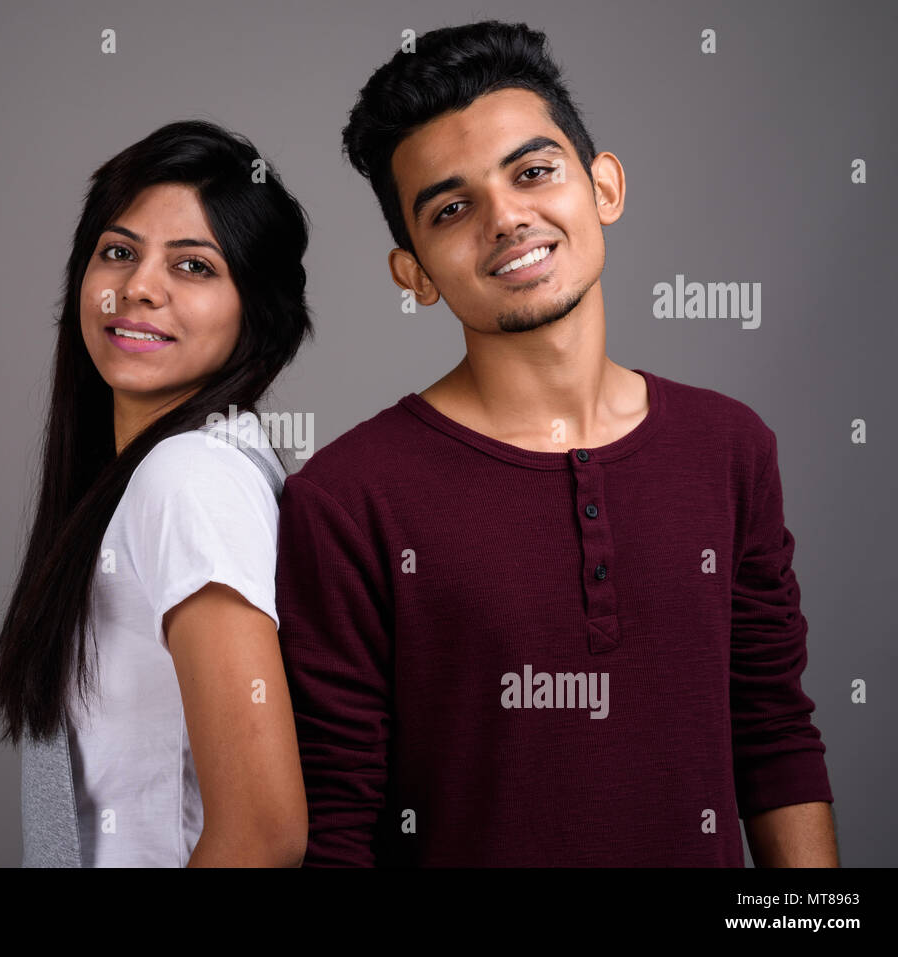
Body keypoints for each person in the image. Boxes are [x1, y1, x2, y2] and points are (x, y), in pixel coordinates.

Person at [273, 20, 838, 866]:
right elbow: (340, 820)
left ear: (603, 187)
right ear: (415, 273)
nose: (507, 218)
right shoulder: (348, 498)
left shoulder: (731, 448)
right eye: (453, 207)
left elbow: (774, 734)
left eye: (534, 171)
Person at [0, 119, 313, 867]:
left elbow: (264, 832)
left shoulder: (188, 476)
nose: (138, 288)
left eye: (194, 267)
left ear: (256, 313)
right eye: (119, 252)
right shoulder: (165, 470)